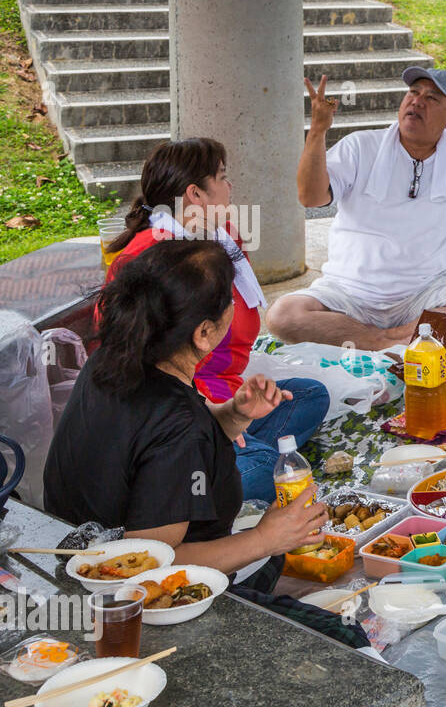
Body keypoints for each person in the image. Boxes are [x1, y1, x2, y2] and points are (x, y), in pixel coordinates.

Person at [45, 240, 330, 577]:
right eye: (230, 299)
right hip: (124, 584)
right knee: (342, 630)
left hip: (99, 514)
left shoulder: (122, 354)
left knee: (306, 395)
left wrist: (235, 415)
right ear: (204, 332)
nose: (235, 306)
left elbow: (152, 435)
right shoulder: (181, 427)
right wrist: (264, 539)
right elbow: (145, 563)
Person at [102, 138, 329, 505]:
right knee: (264, 470)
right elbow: (136, 371)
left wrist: (236, 410)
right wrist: (208, 417)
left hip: (224, 396)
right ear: (196, 193)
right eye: (222, 177)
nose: (230, 186)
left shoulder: (222, 240)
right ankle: (226, 465)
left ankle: (231, 458)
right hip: (176, 415)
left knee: (309, 394)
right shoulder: (147, 261)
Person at [269, 67, 446, 350]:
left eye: (431, 98)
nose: (417, 101)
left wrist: (426, 271)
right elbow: (310, 196)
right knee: (282, 316)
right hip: (349, 291)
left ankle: (382, 339)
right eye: (413, 93)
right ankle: (398, 344)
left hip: (424, 293)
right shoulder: (360, 145)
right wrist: (318, 131)